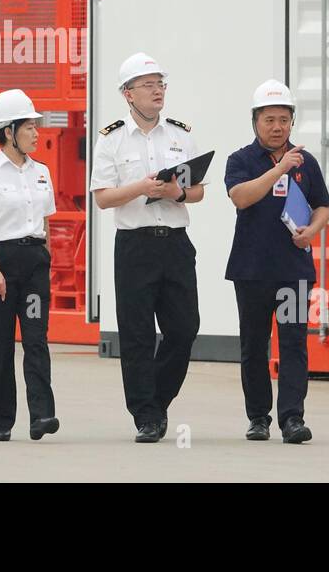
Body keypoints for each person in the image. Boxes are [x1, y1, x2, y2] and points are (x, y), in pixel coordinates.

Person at [90, 52, 204, 443]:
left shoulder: (179, 134)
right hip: (135, 246)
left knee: (185, 328)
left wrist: (177, 191)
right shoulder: (112, 138)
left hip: (175, 243)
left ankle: (156, 400)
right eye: (148, 85)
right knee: (137, 333)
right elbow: (103, 198)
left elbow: (199, 191)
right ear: (128, 94)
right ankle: (146, 417)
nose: (157, 91)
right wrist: (142, 187)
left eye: (161, 84)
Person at [224, 79, 329, 444]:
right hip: (252, 272)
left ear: (292, 122)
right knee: (254, 345)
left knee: (293, 344)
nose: (277, 127)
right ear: (255, 122)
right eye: (269, 119)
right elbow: (241, 197)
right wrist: (280, 169)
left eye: (284, 119)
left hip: (293, 273)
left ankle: (292, 419)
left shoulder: (307, 162)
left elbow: (322, 205)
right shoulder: (241, 160)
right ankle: (258, 418)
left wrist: (312, 231)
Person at [0, 88, 59, 442]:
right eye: (30, 126)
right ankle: (1, 419)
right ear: (9, 131)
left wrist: (45, 258)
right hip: (0, 265)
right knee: (1, 344)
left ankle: (42, 416)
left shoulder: (41, 173)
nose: (37, 132)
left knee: (36, 339)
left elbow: (45, 222)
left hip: (34, 264)